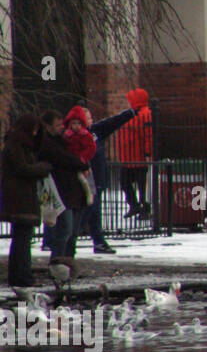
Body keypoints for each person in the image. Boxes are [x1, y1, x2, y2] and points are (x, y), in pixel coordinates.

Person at [80, 102, 140, 253]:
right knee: (86, 213)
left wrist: (129, 114)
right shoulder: (76, 137)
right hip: (85, 181)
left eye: (90, 117)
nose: (90, 120)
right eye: (87, 117)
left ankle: (98, 242)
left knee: (93, 214)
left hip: (98, 180)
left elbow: (111, 123)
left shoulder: (95, 132)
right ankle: (62, 239)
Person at [1, 114, 52, 288]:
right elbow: (22, 168)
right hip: (20, 198)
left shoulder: (20, 145)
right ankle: (22, 277)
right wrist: (42, 168)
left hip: (21, 197)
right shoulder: (16, 145)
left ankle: (20, 276)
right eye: (35, 129)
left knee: (21, 239)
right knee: (22, 240)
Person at [38, 109, 91, 270]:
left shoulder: (63, 140)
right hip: (61, 191)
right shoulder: (47, 143)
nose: (61, 127)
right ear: (48, 126)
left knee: (73, 232)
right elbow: (63, 158)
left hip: (72, 190)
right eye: (58, 125)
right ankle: (58, 265)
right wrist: (81, 163)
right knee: (65, 230)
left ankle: (68, 265)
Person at [119, 88, 153, 219]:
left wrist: (148, 152)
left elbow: (148, 135)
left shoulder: (145, 114)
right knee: (126, 182)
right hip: (129, 157)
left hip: (139, 157)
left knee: (142, 185)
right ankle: (135, 206)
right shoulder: (133, 113)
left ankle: (143, 208)